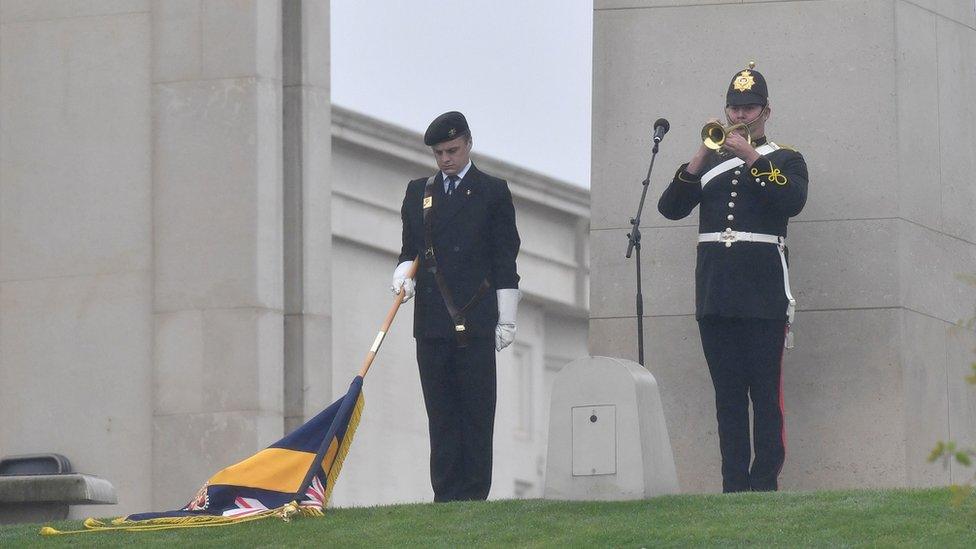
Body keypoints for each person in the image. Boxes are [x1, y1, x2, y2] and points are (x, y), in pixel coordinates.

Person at [657, 63, 808, 492]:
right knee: (727, 397)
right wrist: (701, 156)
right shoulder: (709, 162)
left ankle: (764, 483)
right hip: (717, 294)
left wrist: (751, 156)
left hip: (762, 296)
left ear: (766, 111)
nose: (740, 116)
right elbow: (670, 208)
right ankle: (733, 485)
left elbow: (792, 200)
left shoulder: (785, 158)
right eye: (734, 108)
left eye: (749, 108)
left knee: (764, 395)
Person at [390, 111, 521, 502]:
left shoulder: (492, 191)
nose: (445, 159)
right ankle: (445, 498)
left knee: (477, 414)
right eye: (439, 153)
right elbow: (410, 248)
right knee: (441, 416)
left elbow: (504, 259)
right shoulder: (419, 192)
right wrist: (403, 275)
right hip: (431, 322)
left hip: (475, 317)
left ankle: (475, 496)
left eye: (452, 149)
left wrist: (507, 319)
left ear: (468, 143)